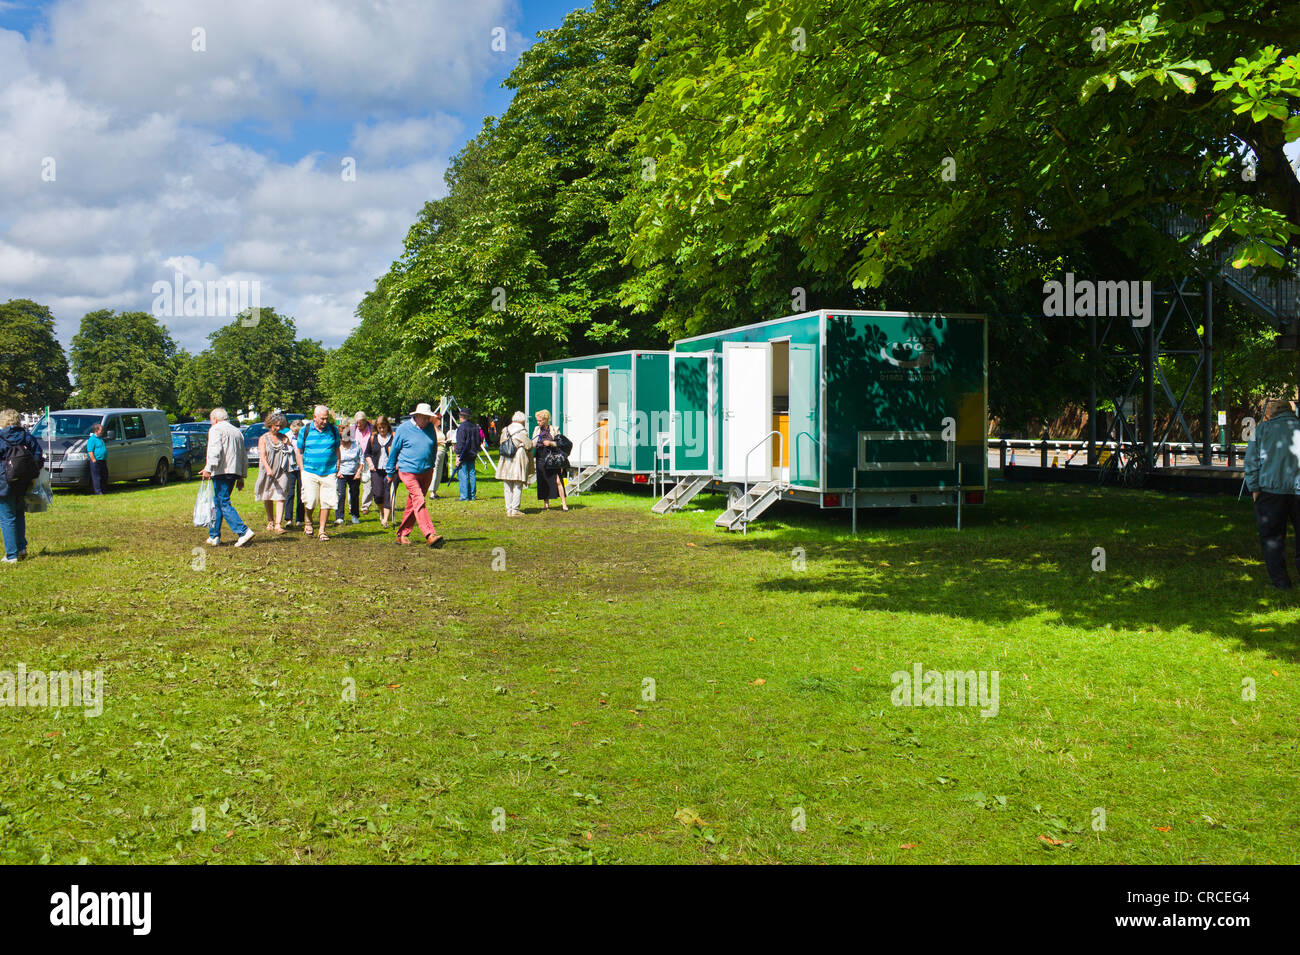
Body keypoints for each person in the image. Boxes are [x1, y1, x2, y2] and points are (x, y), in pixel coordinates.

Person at [1244, 397, 1300, 589]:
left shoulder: (1260, 430)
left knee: (1272, 538)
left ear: (1270, 412)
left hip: (1270, 492)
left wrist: (1254, 488)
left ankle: (1280, 581)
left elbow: (1251, 463)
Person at [387, 403, 445, 548]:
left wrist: (431, 466)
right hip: (408, 471)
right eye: (424, 417)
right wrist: (390, 471)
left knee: (413, 503)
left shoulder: (430, 428)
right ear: (416, 416)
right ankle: (430, 534)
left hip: (426, 471)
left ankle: (402, 534)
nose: (426, 420)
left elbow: (433, 447)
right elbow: (394, 450)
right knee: (419, 500)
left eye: (428, 417)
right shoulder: (403, 429)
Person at [201, 407, 254, 547]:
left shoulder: (216, 429)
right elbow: (243, 455)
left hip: (221, 471)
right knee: (218, 503)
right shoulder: (237, 431)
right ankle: (214, 535)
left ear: (215, 419)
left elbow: (214, 450)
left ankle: (243, 531)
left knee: (222, 502)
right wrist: (242, 476)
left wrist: (208, 468)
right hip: (234, 471)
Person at [0, 409, 45, 563]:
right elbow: (39, 455)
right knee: (19, 513)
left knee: (7, 517)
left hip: (4, 481)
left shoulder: (1, 437)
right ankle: (21, 548)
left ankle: (11, 555)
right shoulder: (27, 436)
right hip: (24, 481)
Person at [296, 404, 342, 542]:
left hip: (329, 472)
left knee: (327, 501)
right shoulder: (305, 430)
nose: (325, 421)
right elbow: (299, 451)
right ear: (314, 417)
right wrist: (301, 468)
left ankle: (322, 530)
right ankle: (308, 521)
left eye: (326, 418)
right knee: (310, 500)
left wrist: (338, 463)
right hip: (310, 471)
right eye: (322, 419)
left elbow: (337, 449)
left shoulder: (333, 430)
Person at [253, 411, 292, 534]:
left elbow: (291, 452)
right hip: (268, 470)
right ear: (270, 424)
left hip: (282, 470)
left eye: (280, 426)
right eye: (276, 425)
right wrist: (268, 469)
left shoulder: (283, 437)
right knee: (268, 495)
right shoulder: (263, 438)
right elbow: (263, 457)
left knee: (280, 496)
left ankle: (278, 524)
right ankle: (270, 520)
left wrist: (288, 444)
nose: (278, 428)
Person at [494, 411, 534, 517]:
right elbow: (529, 445)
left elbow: (501, 443)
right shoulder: (522, 431)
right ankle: (515, 509)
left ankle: (508, 509)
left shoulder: (505, 429)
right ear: (522, 420)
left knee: (507, 485)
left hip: (506, 459)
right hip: (517, 459)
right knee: (517, 484)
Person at [531, 409, 570, 511]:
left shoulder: (554, 429)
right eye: (537, 420)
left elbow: (560, 443)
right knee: (543, 480)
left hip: (552, 457)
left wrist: (551, 443)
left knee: (558, 480)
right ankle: (546, 504)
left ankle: (564, 504)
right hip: (540, 456)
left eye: (540, 420)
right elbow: (533, 443)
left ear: (545, 420)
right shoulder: (536, 429)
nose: (538, 422)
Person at [369, 415, 396, 527]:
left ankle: (385, 519)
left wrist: (397, 464)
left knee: (387, 493)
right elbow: (367, 453)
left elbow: (399, 452)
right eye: (379, 428)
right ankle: (381, 511)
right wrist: (370, 463)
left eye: (384, 427)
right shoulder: (373, 438)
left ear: (387, 426)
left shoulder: (394, 438)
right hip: (376, 470)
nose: (382, 430)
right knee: (378, 495)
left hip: (390, 470)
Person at [336, 428, 363, 525]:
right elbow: (334, 459)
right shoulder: (337, 445)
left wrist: (359, 472)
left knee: (354, 495)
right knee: (341, 495)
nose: (344, 441)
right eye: (343, 439)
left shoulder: (356, 444)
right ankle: (339, 517)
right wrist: (338, 471)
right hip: (341, 473)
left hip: (354, 473)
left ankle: (355, 515)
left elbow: (361, 459)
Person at [454, 407, 482, 501]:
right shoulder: (475, 427)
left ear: (462, 416)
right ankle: (472, 495)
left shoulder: (461, 428)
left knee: (462, 475)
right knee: (472, 474)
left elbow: (460, 443)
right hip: (473, 453)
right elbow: (479, 440)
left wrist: (458, 455)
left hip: (463, 454)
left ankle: (464, 496)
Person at [284, 419, 305, 527]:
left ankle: (300, 519)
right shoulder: (286, 436)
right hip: (290, 467)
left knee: (301, 493)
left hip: (302, 467)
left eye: (297, 433)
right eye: (294, 432)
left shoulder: (305, 435)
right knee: (290, 493)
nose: (295, 434)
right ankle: (288, 519)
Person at [353, 412, 374, 515]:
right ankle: (352, 506)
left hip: (368, 458)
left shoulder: (373, 429)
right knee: (353, 483)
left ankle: (365, 506)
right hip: (355, 459)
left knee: (368, 483)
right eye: (357, 423)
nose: (358, 425)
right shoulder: (352, 429)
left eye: (360, 423)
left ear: (365, 421)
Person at [431, 413, 451, 499]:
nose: (440, 421)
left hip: (442, 451)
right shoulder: (432, 429)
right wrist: (441, 442)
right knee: (435, 471)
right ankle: (432, 491)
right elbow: (431, 441)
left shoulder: (439, 429)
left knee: (439, 471)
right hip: (436, 451)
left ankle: (435, 490)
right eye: (439, 419)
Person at [86, 423, 108, 494]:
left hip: (102, 460)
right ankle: (98, 491)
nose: (102, 431)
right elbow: (90, 451)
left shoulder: (100, 438)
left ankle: (104, 490)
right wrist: (94, 460)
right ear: (96, 431)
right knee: (96, 477)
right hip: (96, 461)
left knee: (104, 476)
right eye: (101, 430)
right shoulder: (92, 439)